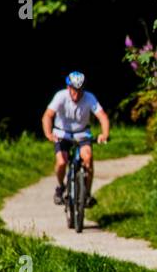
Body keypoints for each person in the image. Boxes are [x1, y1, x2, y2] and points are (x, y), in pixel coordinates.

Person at [42, 71, 110, 206]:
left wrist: (104, 134)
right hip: (62, 135)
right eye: (74, 90)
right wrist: (49, 134)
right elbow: (47, 116)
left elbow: (102, 117)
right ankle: (60, 187)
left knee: (88, 159)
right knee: (61, 162)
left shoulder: (90, 98)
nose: (77, 94)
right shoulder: (60, 96)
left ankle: (87, 194)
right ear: (68, 87)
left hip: (82, 135)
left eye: (80, 91)